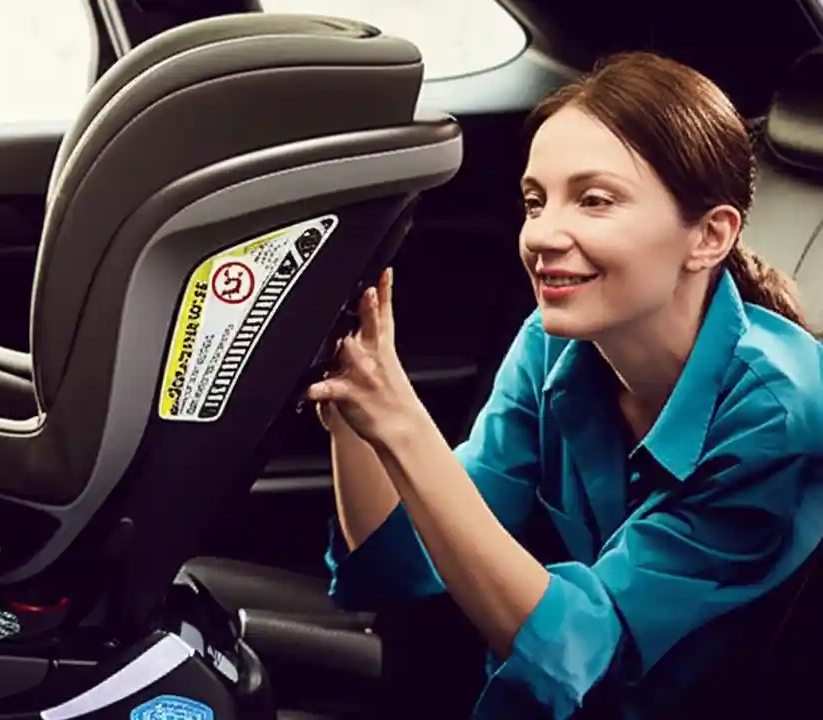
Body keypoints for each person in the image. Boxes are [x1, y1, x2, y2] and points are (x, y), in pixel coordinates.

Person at [307, 51, 823, 719]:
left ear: (709, 236)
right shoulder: (553, 346)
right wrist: (352, 401)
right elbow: (403, 559)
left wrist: (400, 421)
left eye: (595, 200)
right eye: (534, 201)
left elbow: (578, 653)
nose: (544, 235)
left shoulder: (773, 412)